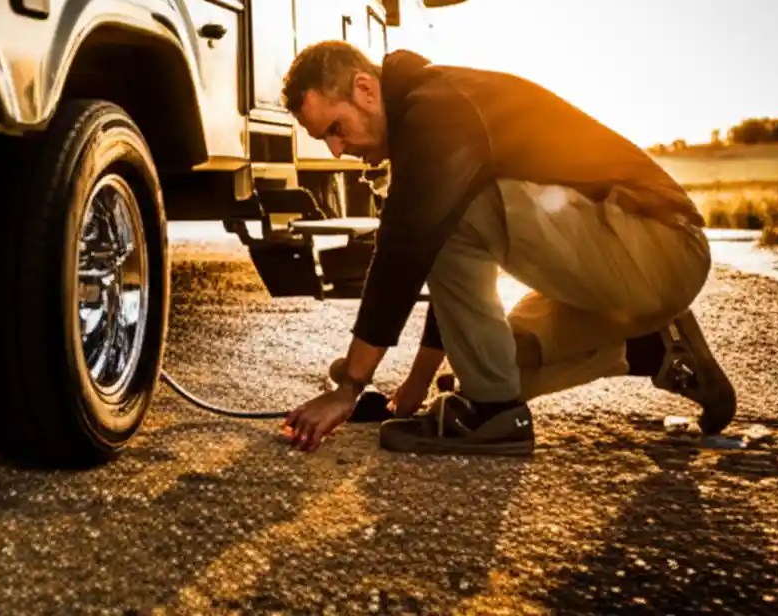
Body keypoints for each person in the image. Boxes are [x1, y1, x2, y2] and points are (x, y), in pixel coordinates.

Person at [278, 41, 736, 455]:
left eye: (335, 129)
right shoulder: (427, 118)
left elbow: (407, 248)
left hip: (663, 244)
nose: (337, 151)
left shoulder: (439, 109)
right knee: (485, 360)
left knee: (483, 367)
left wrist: (351, 386)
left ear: (365, 90)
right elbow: (450, 272)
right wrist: (415, 386)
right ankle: (655, 349)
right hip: (630, 273)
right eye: (326, 140)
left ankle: (494, 414)